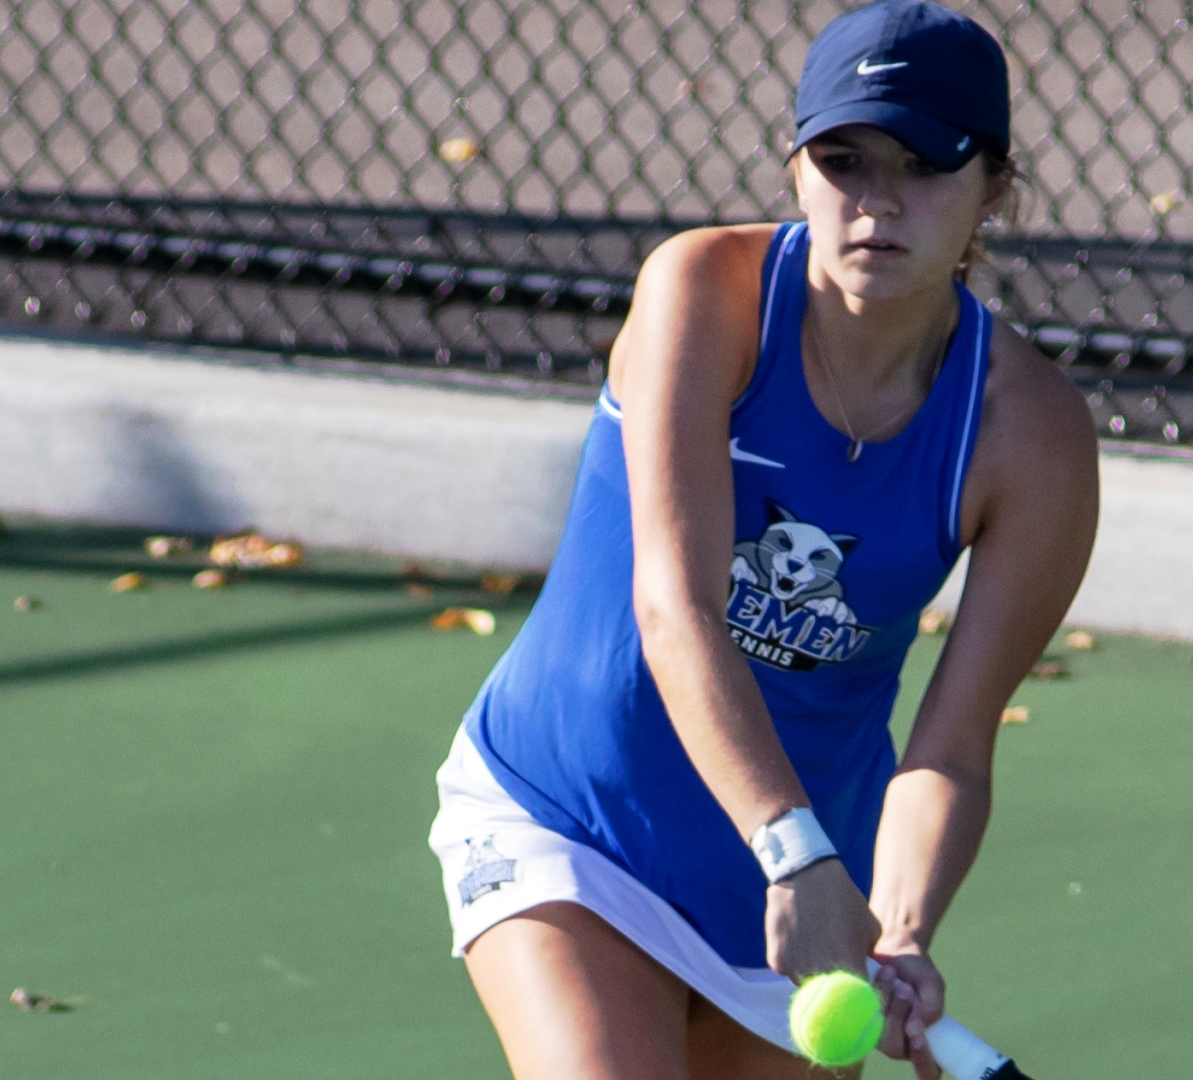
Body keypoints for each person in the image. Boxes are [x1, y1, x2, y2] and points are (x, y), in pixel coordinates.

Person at [426, 2, 1098, 1077]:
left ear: (993, 193)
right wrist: (795, 854)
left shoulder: (1032, 437)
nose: (877, 202)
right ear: (795, 169)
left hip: (805, 906)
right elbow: (674, 610)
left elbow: (952, 745)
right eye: (844, 159)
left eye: (926, 165)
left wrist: (903, 927)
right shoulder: (702, 294)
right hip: (572, 824)